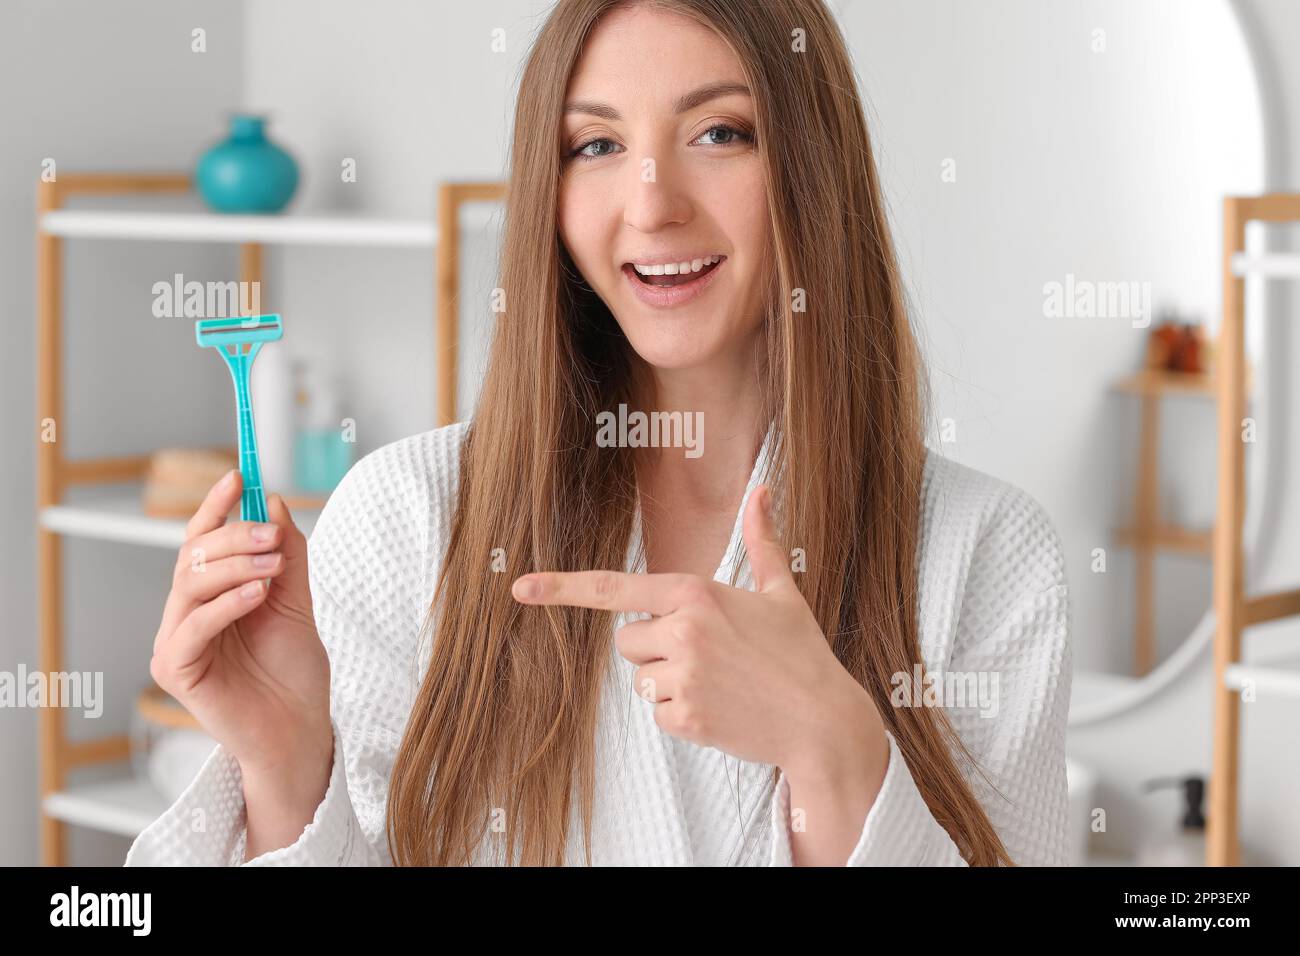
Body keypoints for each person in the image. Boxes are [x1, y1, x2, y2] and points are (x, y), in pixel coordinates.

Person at [126, 0, 1071, 868]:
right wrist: (288, 765)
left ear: (813, 168)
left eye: (719, 133)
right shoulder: (407, 518)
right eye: (596, 145)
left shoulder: (988, 553)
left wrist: (832, 751)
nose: (653, 204)